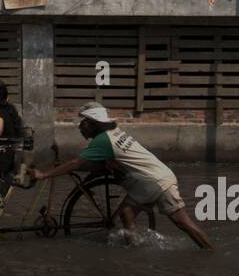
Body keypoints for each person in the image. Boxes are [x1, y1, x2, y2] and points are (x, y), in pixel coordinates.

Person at [33, 103, 213, 249]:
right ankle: (131, 250)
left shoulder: (103, 140)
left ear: (91, 123)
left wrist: (43, 175)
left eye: (82, 123)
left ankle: (209, 252)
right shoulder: (114, 132)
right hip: (153, 178)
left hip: (154, 181)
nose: (80, 127)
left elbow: (75, 163)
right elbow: (103, 162)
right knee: (127, 213)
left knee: (182, 222)